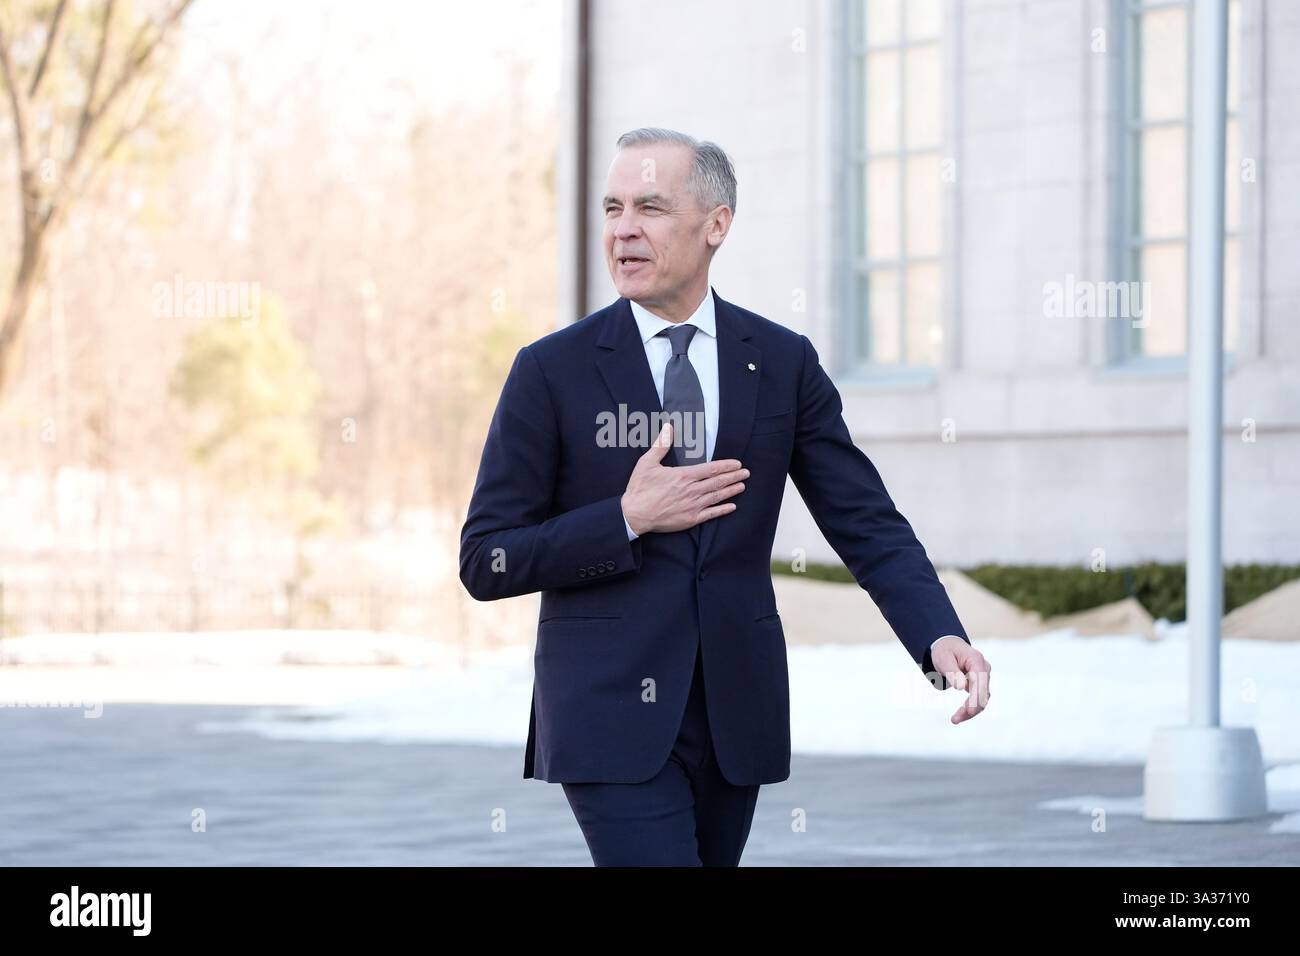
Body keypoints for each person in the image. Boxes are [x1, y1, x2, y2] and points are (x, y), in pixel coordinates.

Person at [460, 126, 991, 866]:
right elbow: (486, 559)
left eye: (649, 206)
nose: (623, 229)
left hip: (735, 715)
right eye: (612, 208)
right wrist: (625, 519)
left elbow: (863, 517)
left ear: (716, 225)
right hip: (608, 716)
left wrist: (938, 635)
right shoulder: (552, 371)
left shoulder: (780, 361)